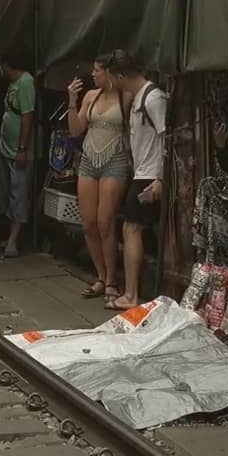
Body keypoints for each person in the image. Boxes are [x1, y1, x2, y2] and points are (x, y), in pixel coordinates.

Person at [66, 53, 131, 301]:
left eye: (96, 70)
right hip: (89, 159)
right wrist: (72, 101)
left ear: (109, 73)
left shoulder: (125, 98)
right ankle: (101, 276)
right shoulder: (91, 97)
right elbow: (76, 130)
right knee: (88, 223)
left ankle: (113, 279)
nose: (92, 74)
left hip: (114, 159)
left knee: (106, 222)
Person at [116, 57, 169, 311]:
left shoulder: (153, 98)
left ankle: (131, 294)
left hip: (150, 174)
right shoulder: (138, 98)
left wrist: (160, 177)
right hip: (141, 172)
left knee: (132, 229)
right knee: (131, 228)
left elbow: (166, 138)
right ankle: (131, 291)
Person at [0, 55, 37, 257]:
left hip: (19, 152)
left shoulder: (26, 83)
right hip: (6, 148)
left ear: (7, 64)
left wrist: (22, 148)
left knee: (19, 194)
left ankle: (14, 241)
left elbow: (28, 115)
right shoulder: (13, 83)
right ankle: (8, 235)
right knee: (6, 192)